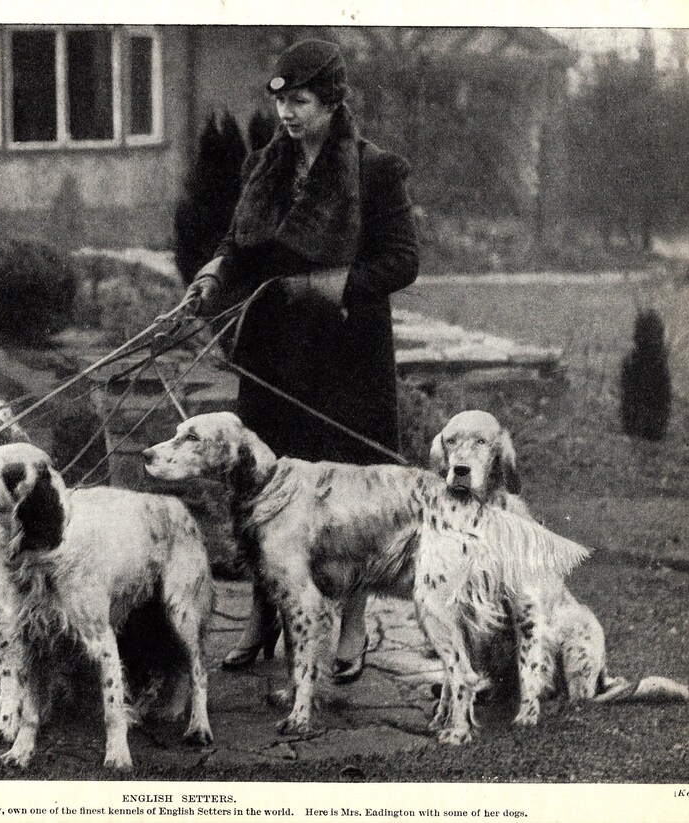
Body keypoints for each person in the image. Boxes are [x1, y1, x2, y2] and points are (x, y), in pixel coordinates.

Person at [184, 39, 419, 683]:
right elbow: (241, 246)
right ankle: (265, 619)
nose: (288, 113)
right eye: (282, 100)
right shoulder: (266, 167)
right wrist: (213, 276)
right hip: (273, 353)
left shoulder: (375, 171)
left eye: (302, 101)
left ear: (333, 102)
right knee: (261, 487)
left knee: (348, 494)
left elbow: (403, 261)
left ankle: (351, 623)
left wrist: (327, 285)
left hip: (345, 354)